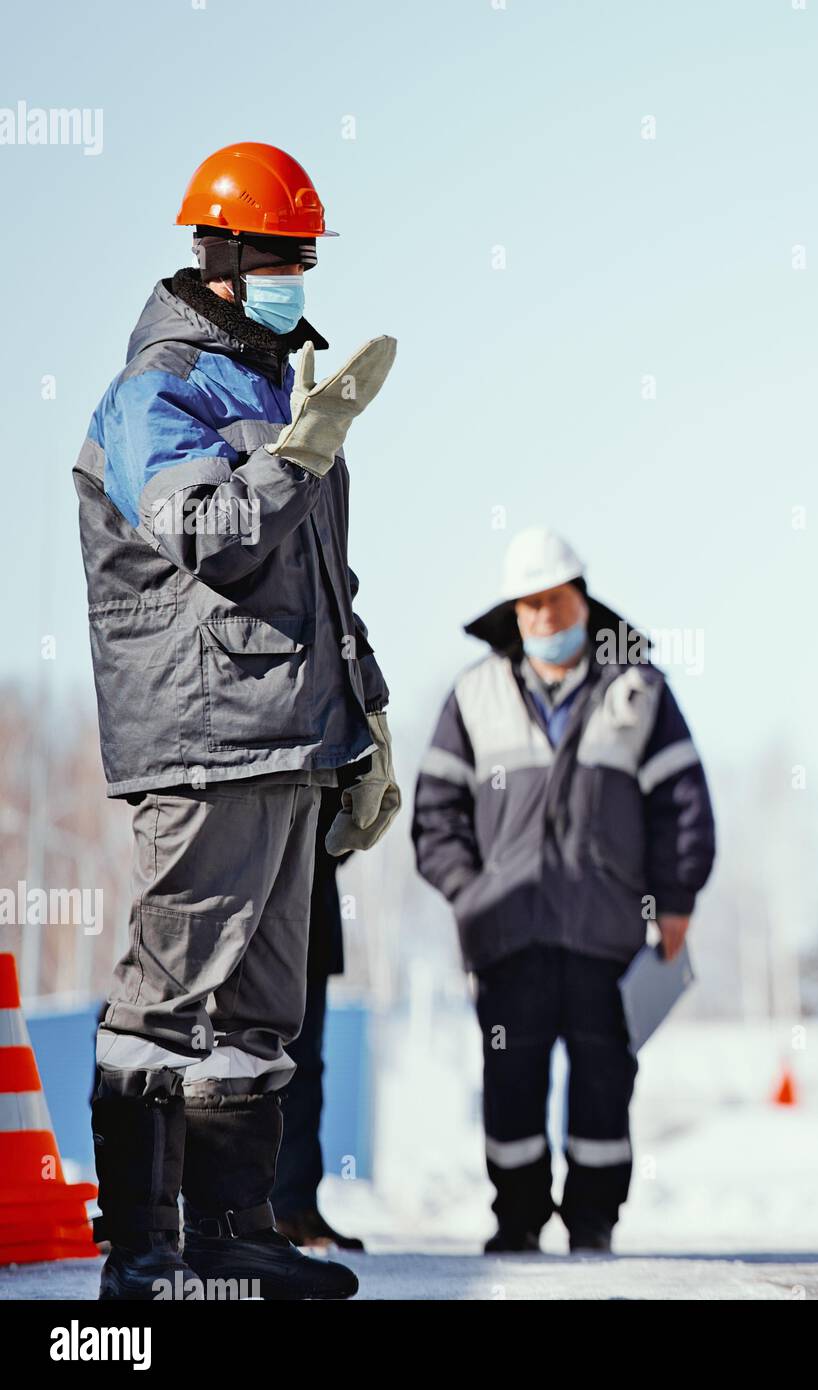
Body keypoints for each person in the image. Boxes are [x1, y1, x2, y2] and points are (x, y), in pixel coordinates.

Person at [73, 143, 400, 1300]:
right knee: (167, 999)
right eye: (278, 255)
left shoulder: (273, 390)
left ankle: (233, 1239)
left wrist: (366, 721)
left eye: (304, 256)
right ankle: (144, 1253)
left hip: (292, 741)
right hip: (202, 740)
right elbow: (209, 532)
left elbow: (322, 585)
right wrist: (296, 459)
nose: (295, 275)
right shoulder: (153, 394)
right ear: (215, 256)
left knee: (260, 1012)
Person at [412, 528, 716, 1253]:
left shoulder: (637, 689)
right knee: (511, 1080)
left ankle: (593, 1222)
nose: (544, 617)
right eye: (529, 605)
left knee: (604, 1081)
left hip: (605, 930)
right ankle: (515, 1219)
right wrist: (470, 892)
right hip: (505, 935)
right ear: (513, 615)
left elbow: (684, 803)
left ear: (582, 599)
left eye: (555, 600)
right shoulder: (473, 693)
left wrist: (675, 902)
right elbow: (434, 813)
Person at [273, 785, 365, 1251]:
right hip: (246, 903)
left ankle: (295, 1207)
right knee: (234, 1062)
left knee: (303, 1067)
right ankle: (241, 1211)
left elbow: (349, 823)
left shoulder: (330, 713)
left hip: (310, 910)